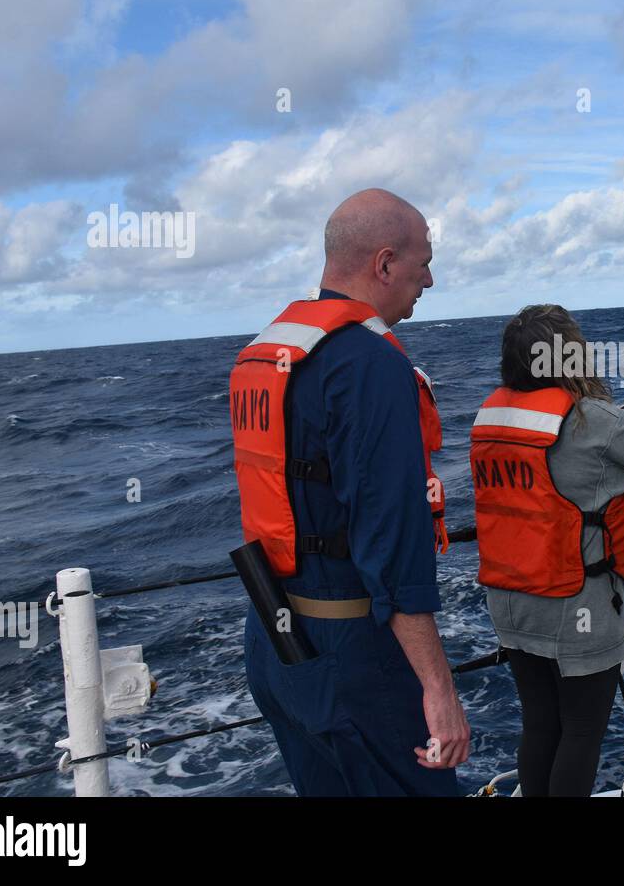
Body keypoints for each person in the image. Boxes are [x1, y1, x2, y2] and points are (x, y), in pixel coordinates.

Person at [231, 188, 469, 796]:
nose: (430, 279)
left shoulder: (271, 352)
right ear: (385, 264)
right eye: (423, 263)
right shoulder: (369, 363)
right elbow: (391, 546)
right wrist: (438, 691)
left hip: (275, 645)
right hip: (353, 657)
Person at [470, 304, 624, 796]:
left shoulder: (492, 415)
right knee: (582, 732)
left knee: (541, 725)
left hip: (512, 601)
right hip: (578, 606)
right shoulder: (591, 420)